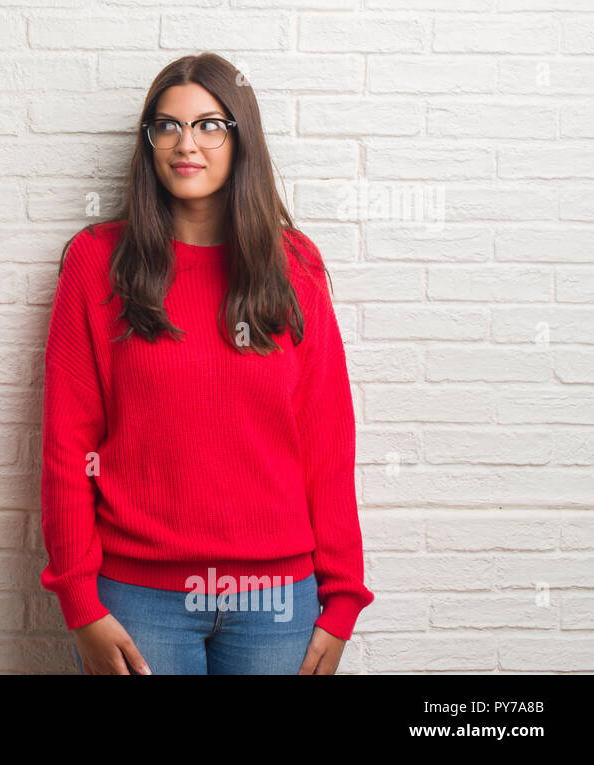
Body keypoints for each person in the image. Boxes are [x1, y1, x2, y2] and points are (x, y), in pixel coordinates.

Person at [39, 52, 375, 675]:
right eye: (167, 126)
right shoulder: (96, 265)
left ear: (240, 138)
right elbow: (67, 445)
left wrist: (342, 601)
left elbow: (327, 441)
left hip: (277, 602)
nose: (184, 143)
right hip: (139, 601)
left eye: (209, 125)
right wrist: (80, 603)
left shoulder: (294, 267)